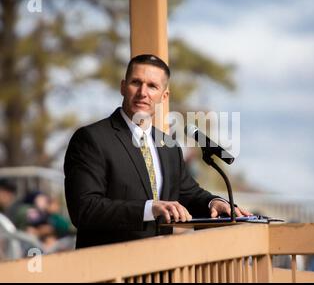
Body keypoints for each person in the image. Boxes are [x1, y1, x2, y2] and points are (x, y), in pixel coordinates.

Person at [64, 54, 250, 249]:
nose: (143, 92)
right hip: (108, 271)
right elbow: (84, 209)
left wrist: (214, 203)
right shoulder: (91, 139)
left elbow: (188, 193)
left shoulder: (168, 145)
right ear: (122, 87)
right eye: (136, 82)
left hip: (159, 268)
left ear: (164, 96)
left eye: (152, 86)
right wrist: (149, 208)